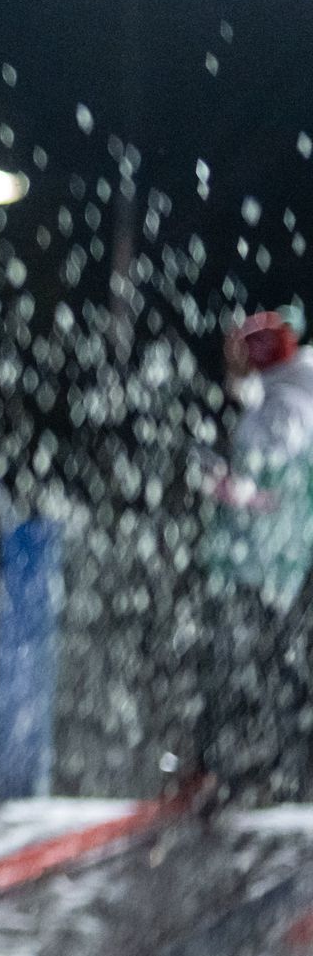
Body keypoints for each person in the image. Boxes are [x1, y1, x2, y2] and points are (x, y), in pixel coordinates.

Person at [194, 310, 313, 801]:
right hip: (278, 567)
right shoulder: (289, 393)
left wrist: (220, 484)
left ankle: (231, 772)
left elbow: (271, 485)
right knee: (271, 668)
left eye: (237, 356)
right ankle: (251, 771)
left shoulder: (284, 405)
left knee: (247, 667)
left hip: (272, 569)